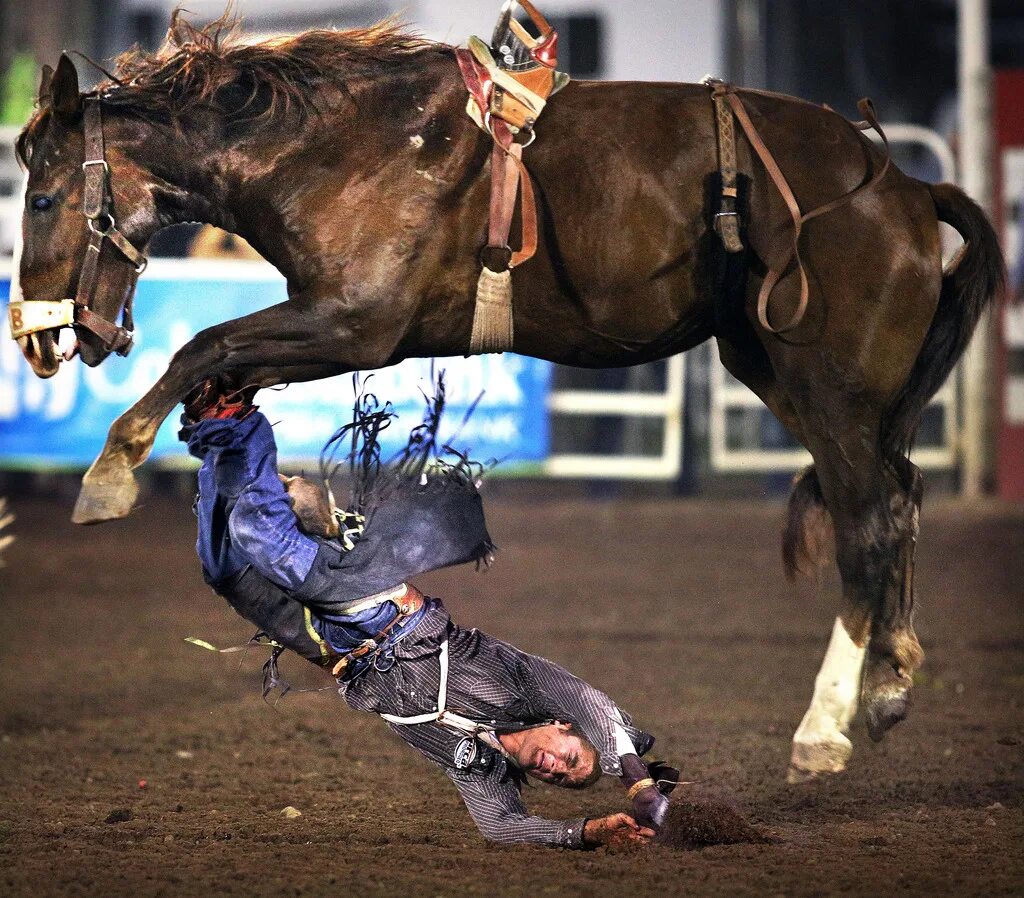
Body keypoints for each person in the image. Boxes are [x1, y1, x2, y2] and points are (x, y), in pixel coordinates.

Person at [179, 379, 678, 849]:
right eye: (570, 759)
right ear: (562, 725)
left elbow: (502, 828)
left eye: (563, 780)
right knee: (266, 542)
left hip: (336, 651)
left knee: (226, 569)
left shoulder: (480, 768)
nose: (556, 768)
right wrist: (637, 783)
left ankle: (216, 433)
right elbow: (595, 704)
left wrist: (586, 832)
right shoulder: (526, 686)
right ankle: (239, 421)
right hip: (383, 612)